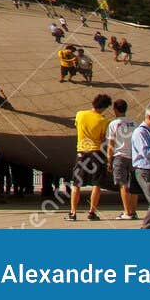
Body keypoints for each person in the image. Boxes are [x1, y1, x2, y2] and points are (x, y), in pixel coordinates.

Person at [67, 93, 111, 222]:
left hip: (82, 153)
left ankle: (73, 213)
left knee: (76, 184)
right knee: (96, 184)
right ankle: (91, 212)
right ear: (104, 107)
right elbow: (103, 138)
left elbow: (77, 126)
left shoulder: (80, 114)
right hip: (96, 153)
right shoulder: (103, 120)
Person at [104, 99, 138, 221]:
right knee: (134, 185)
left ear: (115, 109)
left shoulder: (114, 124)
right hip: (133, 156)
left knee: (122, 184)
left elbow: (110, 144)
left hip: (120, 156)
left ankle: (127, 212)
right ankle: (133, 211)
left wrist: (109, 161)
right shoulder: (134, 123)